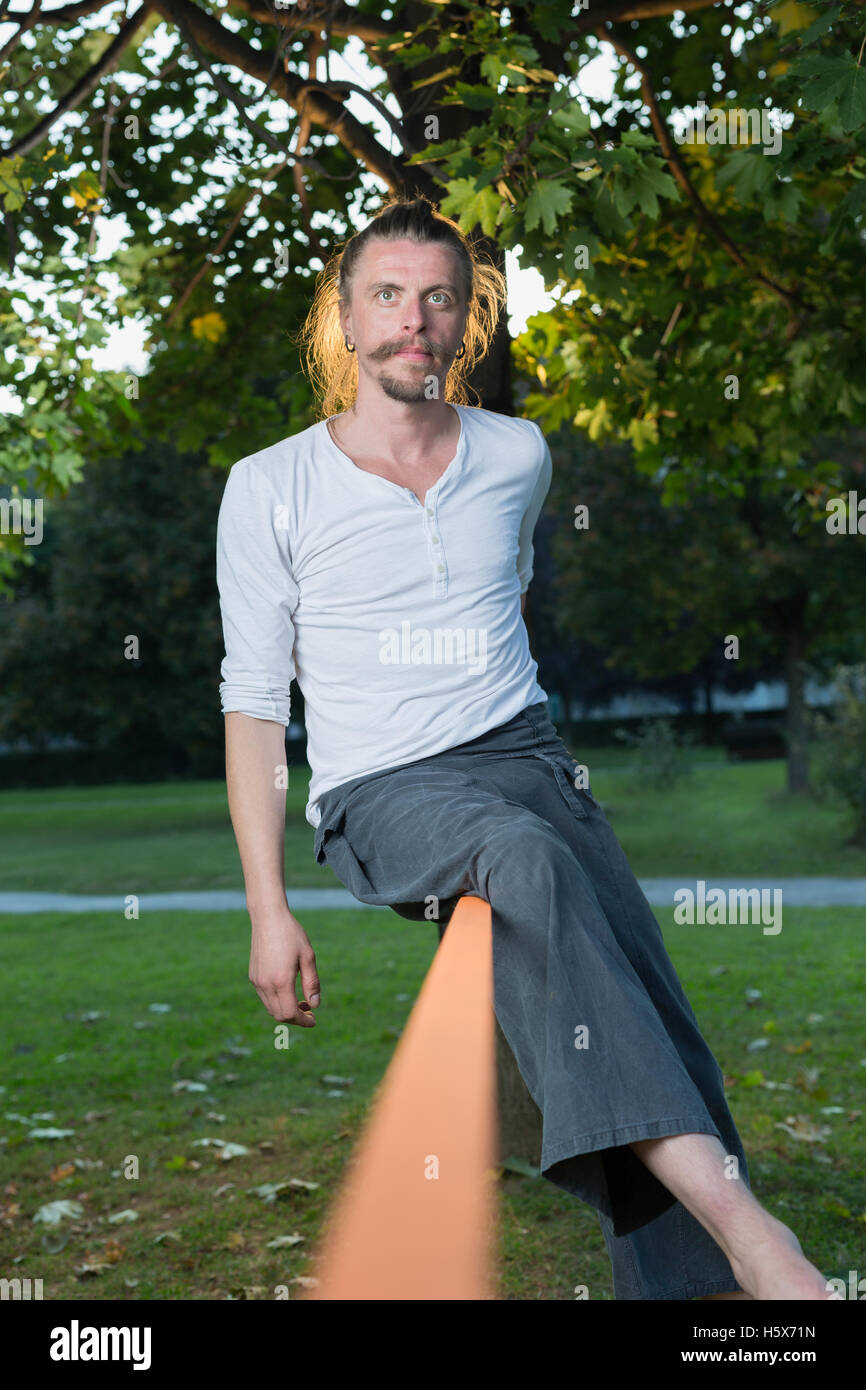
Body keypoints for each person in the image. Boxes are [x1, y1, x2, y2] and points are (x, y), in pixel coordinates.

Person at [216, 193, 835, 1301]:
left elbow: (508, 596)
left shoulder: (516, 455)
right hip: (383, 791)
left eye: (439, 298)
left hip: (529, 759)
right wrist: (268, 907)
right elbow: (256, 704)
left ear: (467, 320)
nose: (415, 319)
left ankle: (705, 1306)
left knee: (650, 1012)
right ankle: (755, 1240)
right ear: (345, 319)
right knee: (519, 860)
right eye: (388, 296)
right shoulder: (269, 486)